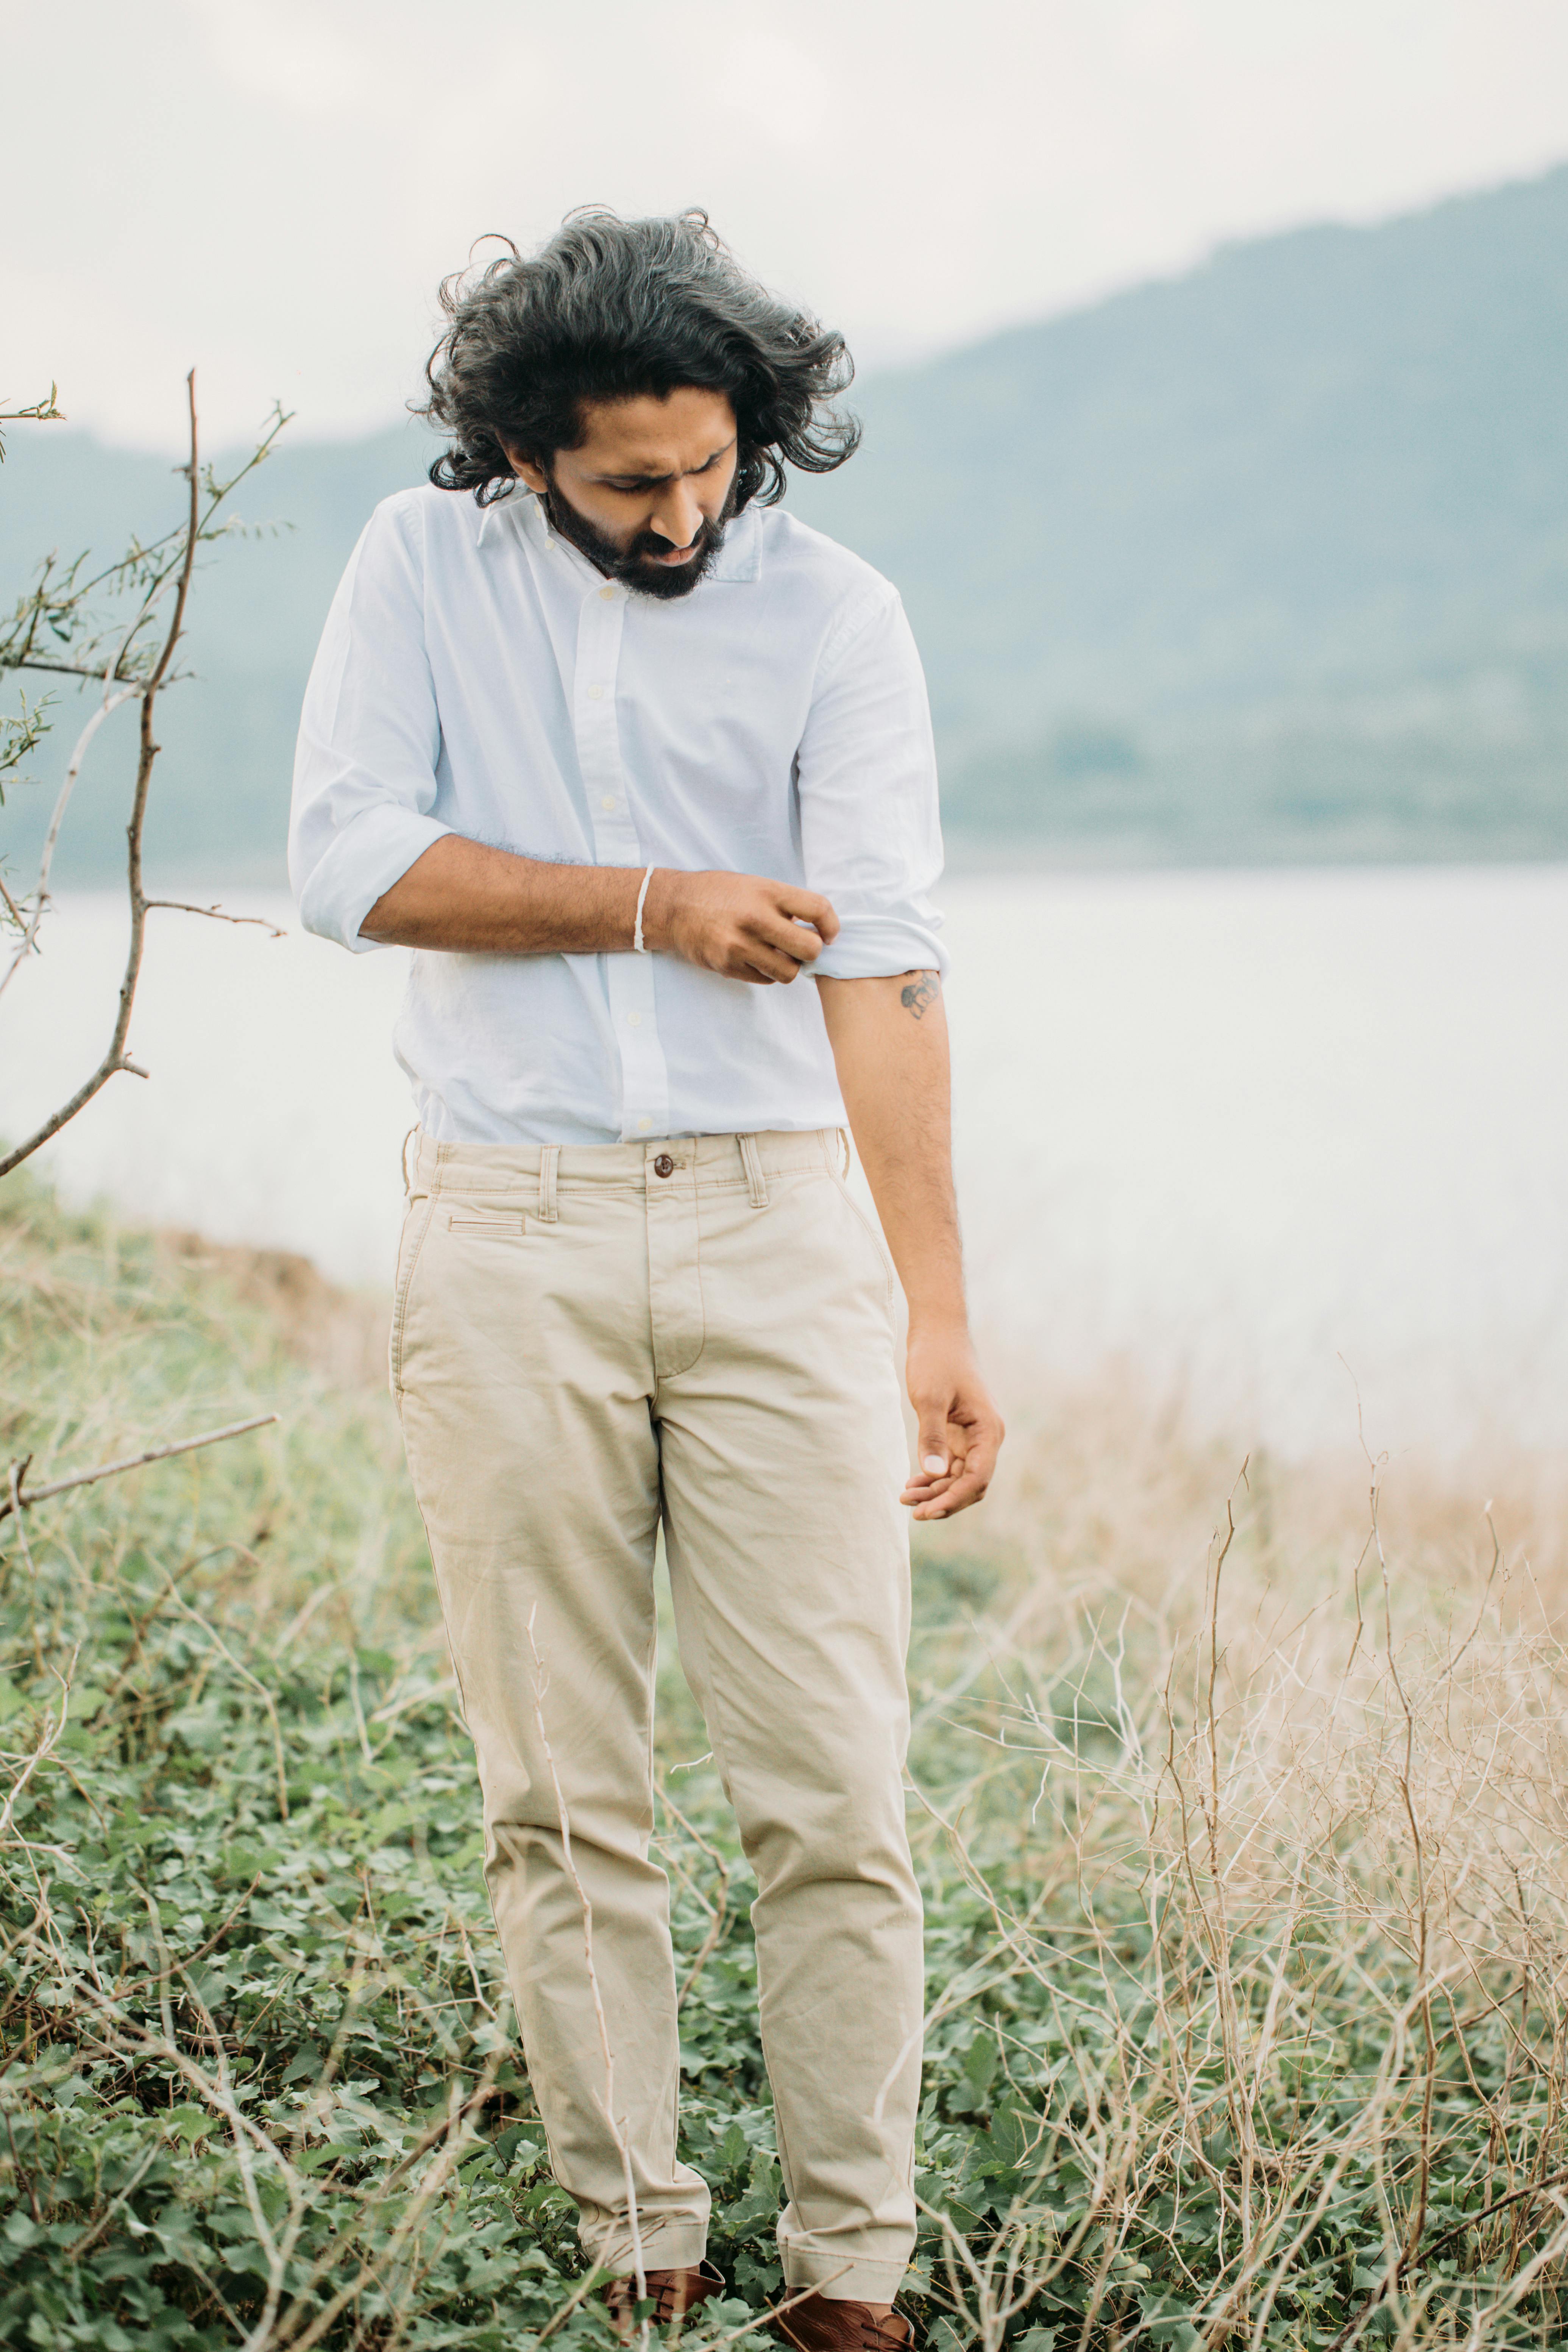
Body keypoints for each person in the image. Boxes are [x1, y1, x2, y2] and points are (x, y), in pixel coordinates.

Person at [289, 209, 1004, 2351]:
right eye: (630, 483)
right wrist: (651, 904)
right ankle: (638, 2252)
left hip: (779, 1228)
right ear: (524, 455)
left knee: (833, 1787)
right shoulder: (413, 575)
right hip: (503, 1232)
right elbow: (346, 862)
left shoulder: (837, 614)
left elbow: (884, 962)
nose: (684, 514)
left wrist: (940, 1310)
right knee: (561, 1786)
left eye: (712, 466)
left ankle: (849, 2276)